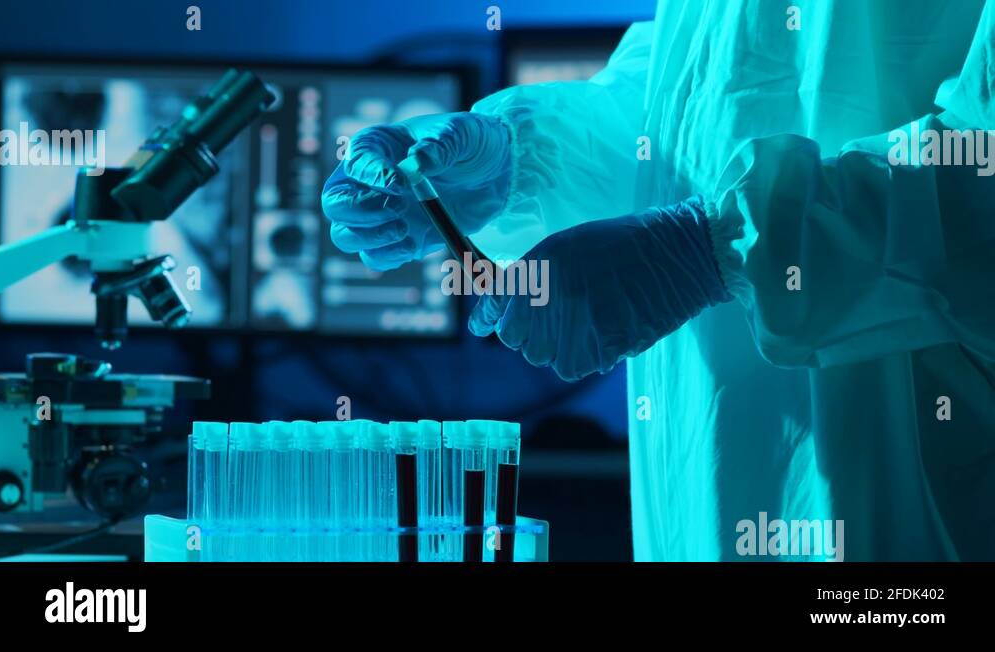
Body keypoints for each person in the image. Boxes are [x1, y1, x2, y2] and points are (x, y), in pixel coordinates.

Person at [323, 0, 995, 561]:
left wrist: (712, 246)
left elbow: (979, 165)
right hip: (698, 501)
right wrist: (518, 162)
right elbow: (703, 99)